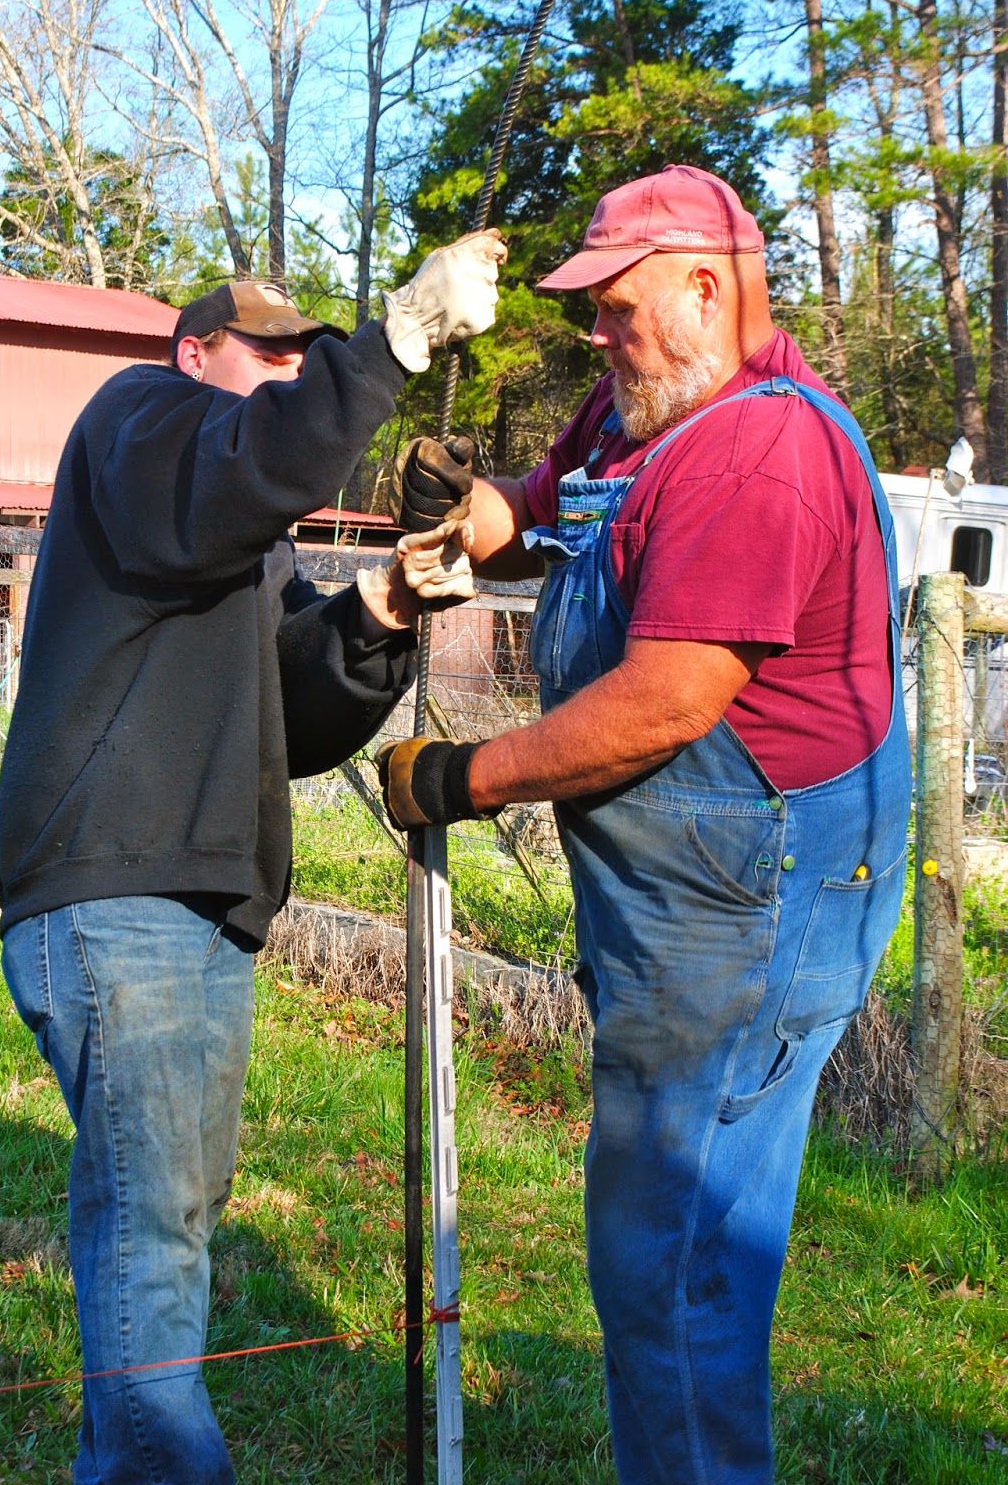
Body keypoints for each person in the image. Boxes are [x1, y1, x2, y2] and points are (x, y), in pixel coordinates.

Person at [379, 167, 911, 1485]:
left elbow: (668, 702)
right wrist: (465, 507)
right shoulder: (637, 416)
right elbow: (541, 512)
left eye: (613, 309)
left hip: (753, 909)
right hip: (692, 909)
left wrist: (466, 777)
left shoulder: (757, 448)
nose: (595, 336)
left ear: (703, 286)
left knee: (672, 1269)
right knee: (678, 1258)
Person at [0, 232, 504, 1485]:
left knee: (164, 1206)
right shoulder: (140, 424)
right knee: (155, 1223)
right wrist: (390, 343)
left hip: (193, 904)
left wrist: (383, 609)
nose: (285, 373)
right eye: (263, 354)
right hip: (118, 889)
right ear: (190, 353)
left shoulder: (233, 533)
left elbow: (298, 717)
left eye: (300, 357)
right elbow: (242, 467)